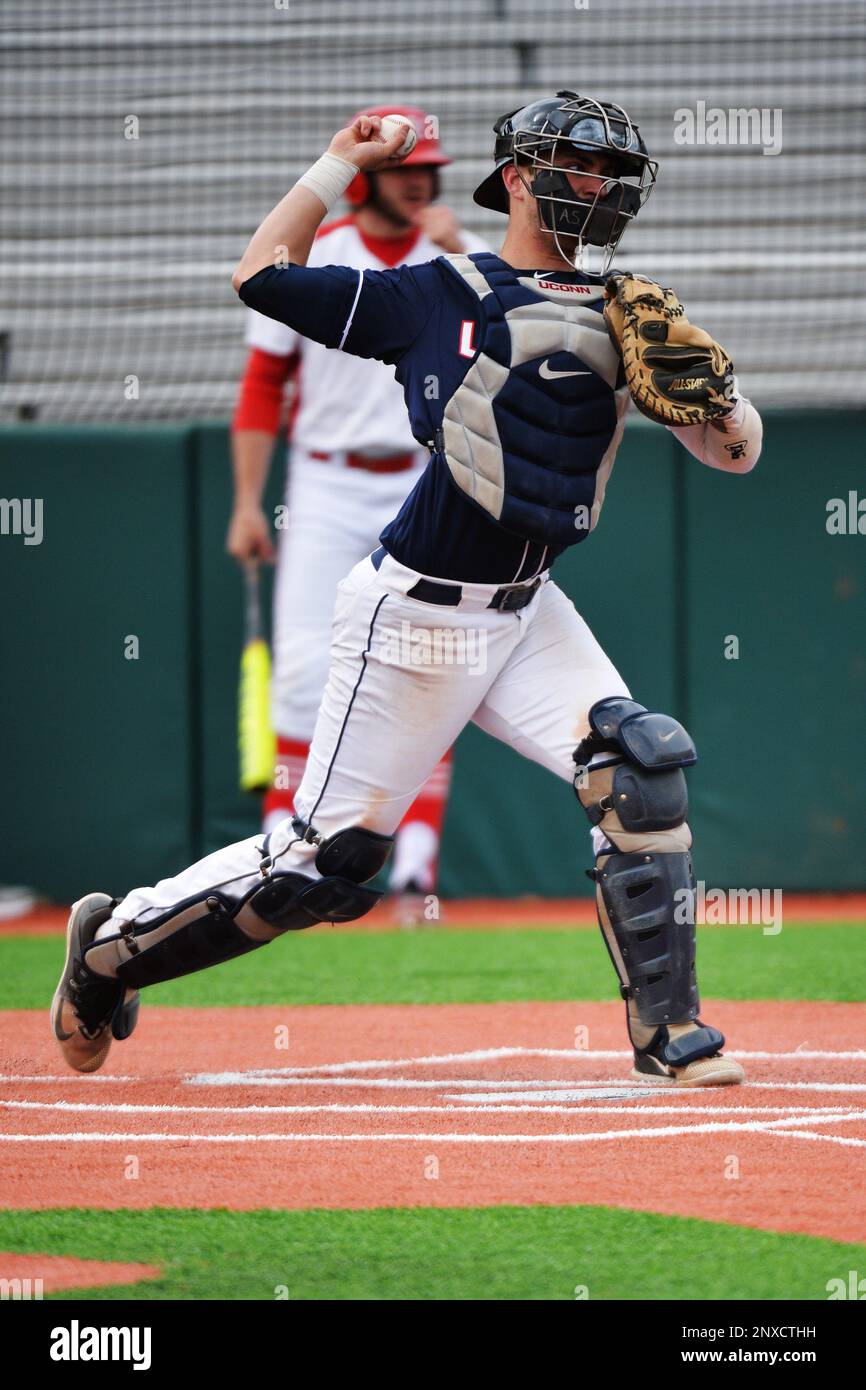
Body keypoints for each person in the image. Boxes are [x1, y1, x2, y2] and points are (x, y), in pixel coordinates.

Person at [52, 92, 761, 1086]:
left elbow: (731, 455)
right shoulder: (437, 292)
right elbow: (259, 276)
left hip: (528, 611)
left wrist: (717, 395)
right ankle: (107, 948)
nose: (592, 185)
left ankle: (670, 1034)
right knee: (325, 869)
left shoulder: (628, 310)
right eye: (571, 163)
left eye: (607, 171)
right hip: (417, 615)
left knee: (637, 768)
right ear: (514, 177)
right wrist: (338, 159)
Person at [228, 106, 487, 916]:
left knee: (426, 658)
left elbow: (505, 340)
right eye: (409, 167)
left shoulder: (457, 260)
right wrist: (245, 501)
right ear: (368, 175)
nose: (423, 181)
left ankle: (414, 857)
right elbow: (264, 381)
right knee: (305, 667)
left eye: (433, 170)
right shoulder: (327, 249)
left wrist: (456, 251)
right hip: (326, 481)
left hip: (422, 474)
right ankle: (282, 837)